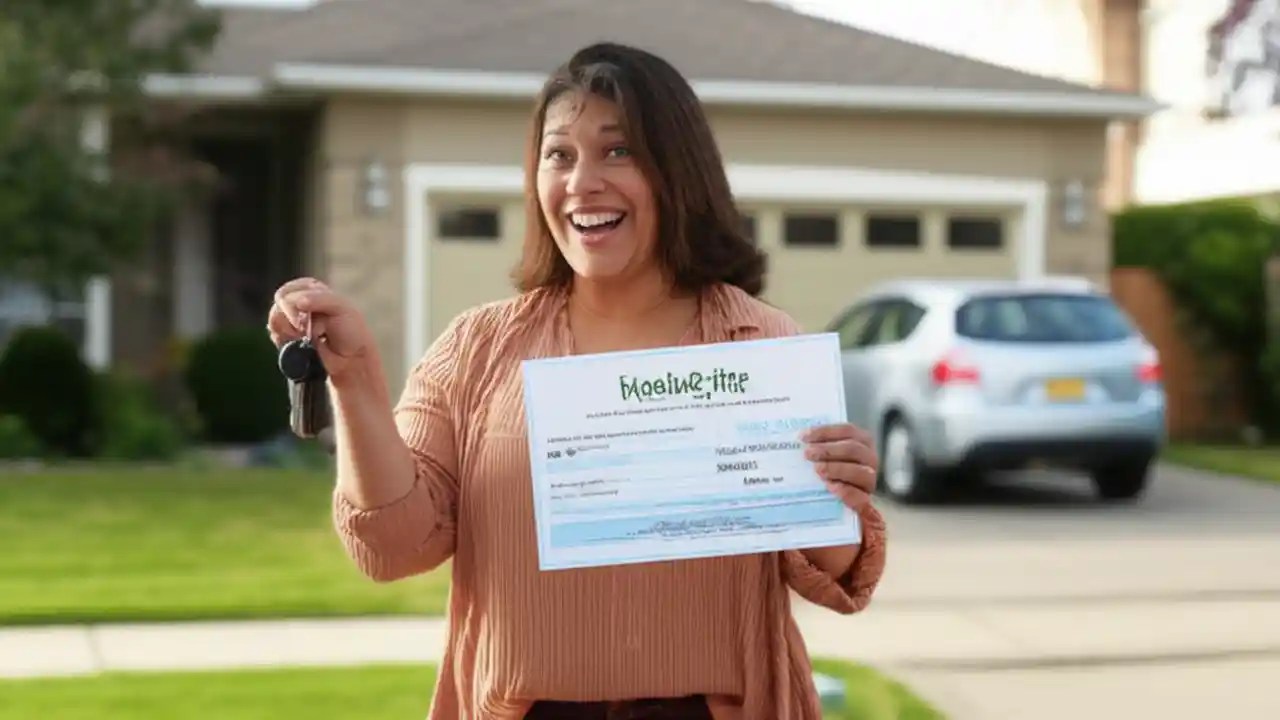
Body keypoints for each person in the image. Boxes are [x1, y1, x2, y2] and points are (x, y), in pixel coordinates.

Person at [267, 41, 886, 720]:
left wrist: (837, 495)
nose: (582, 182)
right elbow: (390, 545)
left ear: (678, 173)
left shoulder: (761, 347)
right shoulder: (477, 350)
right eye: (559, 155)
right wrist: (354, 382)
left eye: (617, 151)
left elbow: (826, 563)